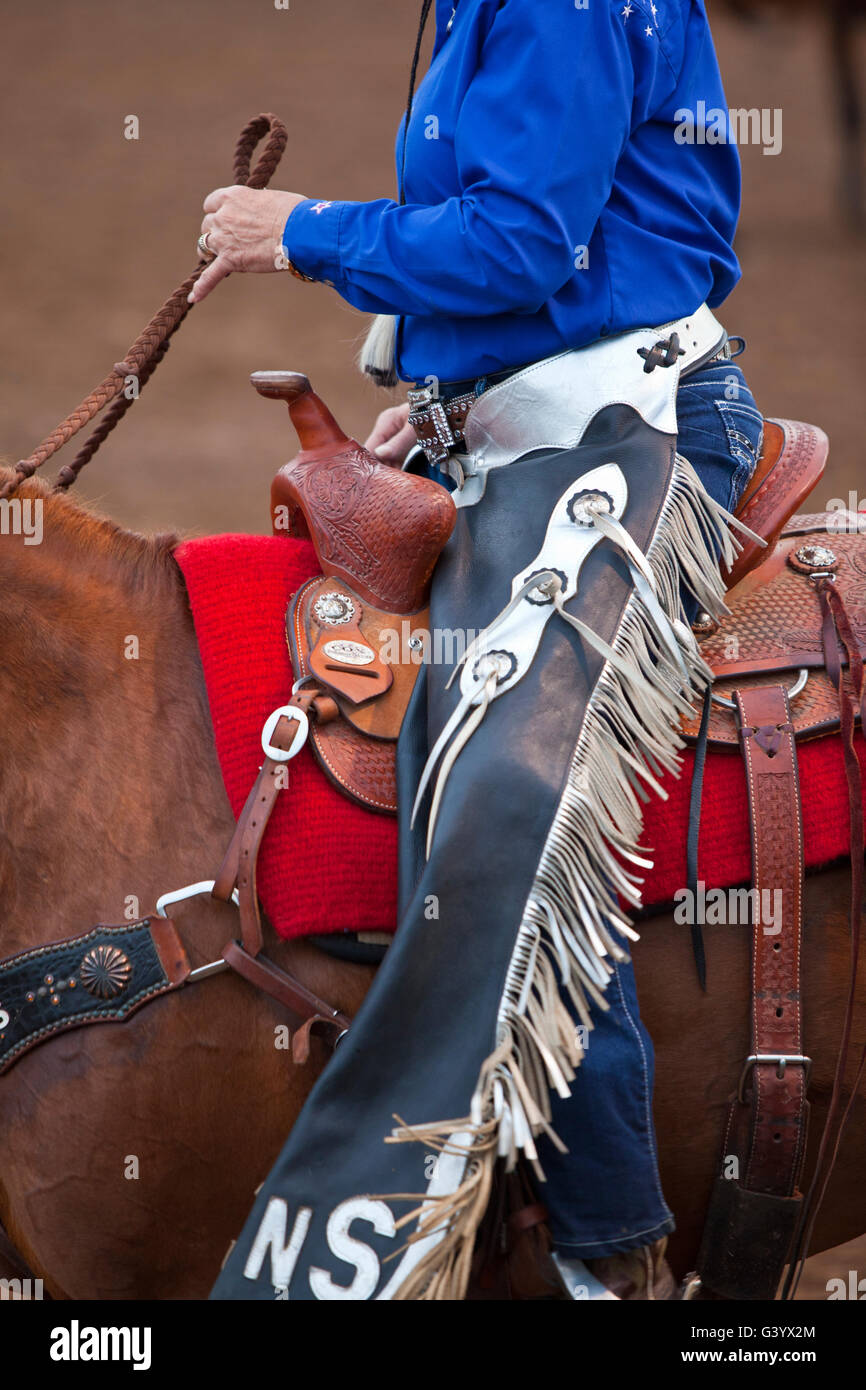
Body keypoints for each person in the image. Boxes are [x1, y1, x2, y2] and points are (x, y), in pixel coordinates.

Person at [199, 1, 764, 1302]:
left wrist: (299, 232)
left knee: (509, 801)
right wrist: (444, 401)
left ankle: (609, 1261)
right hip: (532, 425)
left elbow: (521, 240)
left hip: (633, 432)